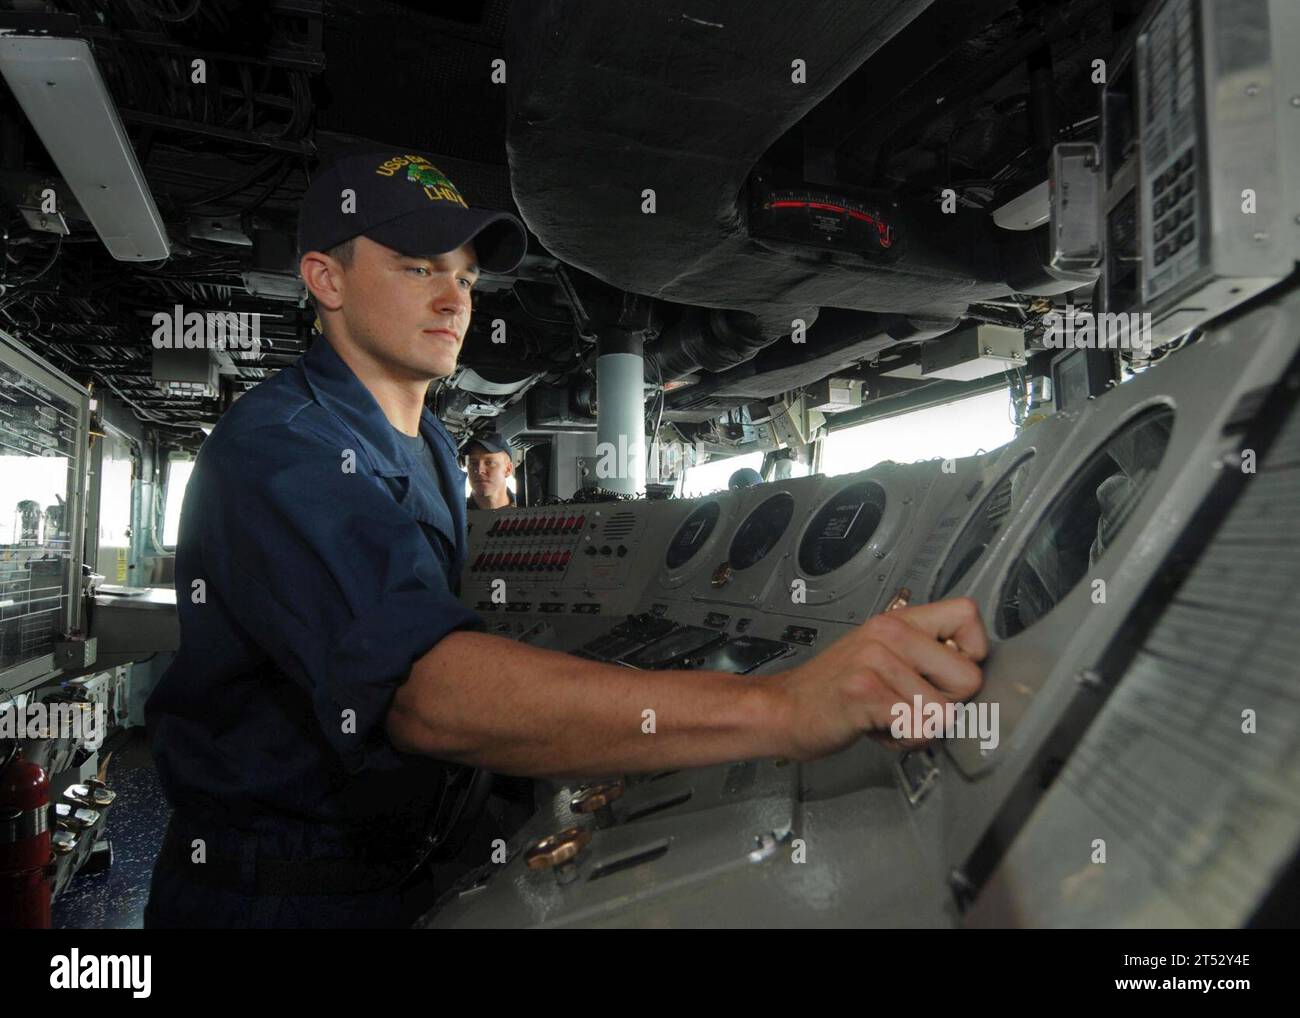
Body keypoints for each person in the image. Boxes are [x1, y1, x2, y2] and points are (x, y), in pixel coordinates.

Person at [144, 148, 990, 929]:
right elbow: (423, 692)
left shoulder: (430, 446)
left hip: (404, 863)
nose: (455, 300)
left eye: (467, 277)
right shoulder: (280, 448)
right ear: (324, 278)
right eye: (418, 269)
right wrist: (786, 704)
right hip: (281, 899)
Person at [463, 431, 516, 510]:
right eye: (473, 463)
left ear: (508, 469)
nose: (479, 470)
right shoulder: (454, 516)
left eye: (489, 463)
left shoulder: (529, 510)